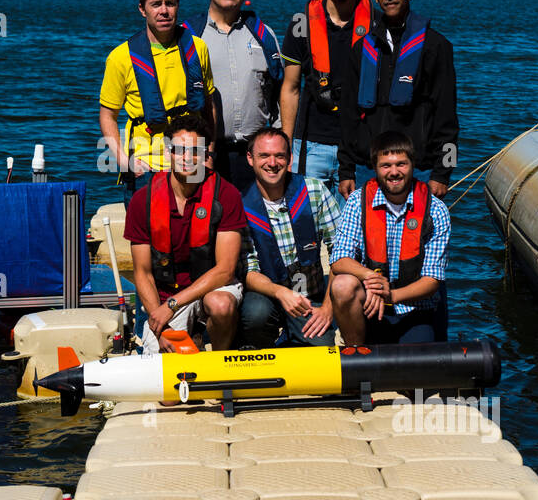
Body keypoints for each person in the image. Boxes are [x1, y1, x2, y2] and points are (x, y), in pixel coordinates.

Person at [123, 111, 247, 355]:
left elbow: (225, 270)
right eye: (179, 150)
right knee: (166, 384)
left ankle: (219, 367)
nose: (187, 158)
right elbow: (143, 272)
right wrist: (163, 324)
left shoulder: (227, 195)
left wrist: (173, 304)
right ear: (168, 152)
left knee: (220, 304)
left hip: (211, 288)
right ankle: (189, 339)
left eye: (195, 151)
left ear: (205, 154)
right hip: (167, 295)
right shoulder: (142, 201)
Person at [337, 0, 458, 200]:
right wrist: (345, 170)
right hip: (367, 170)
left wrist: (443, 173)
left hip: (419, 171)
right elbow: (348, 115)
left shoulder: (436, 46)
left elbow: (447, 116)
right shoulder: (361, 49)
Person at [99, 0, 217, 203]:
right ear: (143, 10)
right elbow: (107, 116)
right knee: (148, 236)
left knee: (197, 234)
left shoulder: (198, 48)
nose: (164, 11)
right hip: (146, 165)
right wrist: (123, 160)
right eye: (156, 4)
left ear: (177, 7)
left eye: (170, 4)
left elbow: (209, 107)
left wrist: (210, 153)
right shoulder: (120, 58)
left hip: (192, 161)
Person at [330, 131, 450, 344]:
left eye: (401, 164)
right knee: (342, 284)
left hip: (414, 307)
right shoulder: (357, 202)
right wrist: (373, 279)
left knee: (417, 365)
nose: (394, 172)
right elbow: (339, 259)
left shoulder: (437, 211)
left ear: (412, 164)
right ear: (375, 168)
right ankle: (355, 350)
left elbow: (432, 280)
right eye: (386, 165)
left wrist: (392, 296)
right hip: (370, 302)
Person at [279, 0, 373, 192]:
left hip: (360, 146)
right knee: (307, 223)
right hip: (311, 145)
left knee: (358, 227)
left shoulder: (376, 23)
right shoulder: (301, 24)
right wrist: (286, 146)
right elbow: (290, 88)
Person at [185, 0, 283, 192]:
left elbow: (280, 93)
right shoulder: (188, 36)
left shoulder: (264, 35)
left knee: (255, 226)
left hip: (256, 156)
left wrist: (281, 144)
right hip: (205, 154)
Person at [239, 127, 342, 348]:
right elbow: (248, 271)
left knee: (322, 354)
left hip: (307, 295)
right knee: (256, 314)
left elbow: (341, 254)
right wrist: (280, 292)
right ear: (250, 159)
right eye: (264, 155)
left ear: (290, 158)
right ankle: (262, 354)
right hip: (266, 295)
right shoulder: (240, 205)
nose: (272, 162)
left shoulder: (313, 190)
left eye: (280, 155)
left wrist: (327, 308)